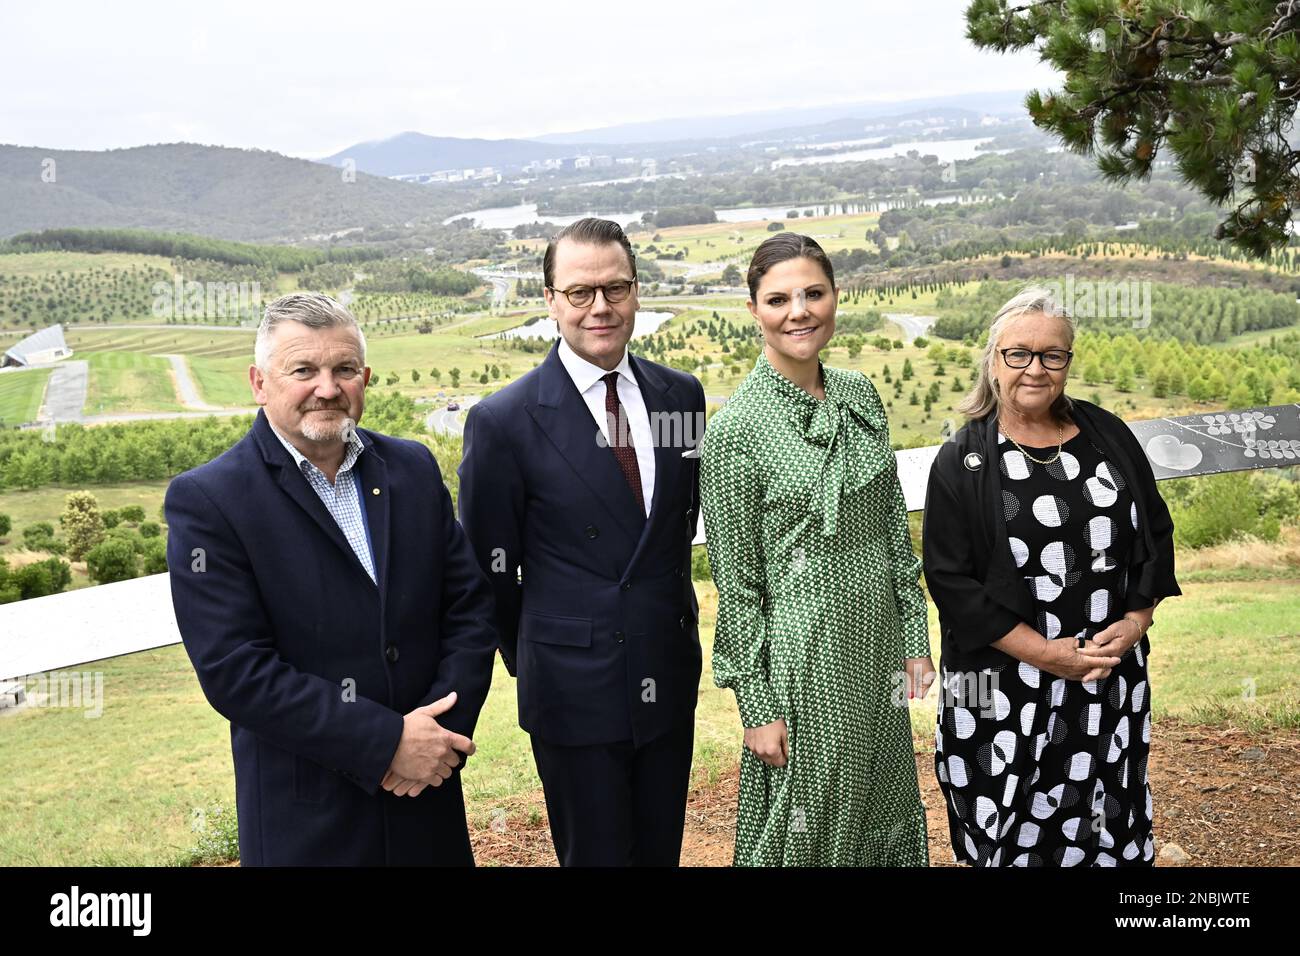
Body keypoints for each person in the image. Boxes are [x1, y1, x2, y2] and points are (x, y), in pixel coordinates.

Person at [165, 292, 498, 866]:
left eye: (344, 369)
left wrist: (437, 741)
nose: (327, 387)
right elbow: (236, 670)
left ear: (364, 378)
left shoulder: (413, 469)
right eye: (303, 370)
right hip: (309, 823)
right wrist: (387, 743)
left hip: (429, 801)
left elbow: (469, 610)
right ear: (259, 382)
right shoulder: (210, 501)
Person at [457, 218, 705, 866]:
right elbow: (488, 574)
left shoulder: (681, 396)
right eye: (579, 292)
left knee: (659, 855)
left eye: (615, 288)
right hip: (573, 693)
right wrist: (549, 650)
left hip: (666, 677)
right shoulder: (504, 421)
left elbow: (674, 535)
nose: (600, 306)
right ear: (549, 300)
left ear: (636, 292)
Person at [923, 286, 1181, 867]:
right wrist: (1044, 654)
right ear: (993, 361)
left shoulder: (1108, 435)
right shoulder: (964, 459)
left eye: (1051, 355)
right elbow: (950, 581)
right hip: (1006, 690)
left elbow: (1153, 536)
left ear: (1068, 361)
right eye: (1018, 354)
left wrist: (1137, 620)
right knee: (1012, 827)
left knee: (1106, 813)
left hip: (1106, 679)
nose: (1034, 368)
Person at [699, 233, 932, 866]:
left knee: (884, 811)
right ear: (754, 310)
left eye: (813, 293)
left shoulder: (860, 397)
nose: (798, 311)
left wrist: (914, 640)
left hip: (877, 648)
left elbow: (889, 529)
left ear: (835, 297)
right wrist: (757, 706)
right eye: (778, 299)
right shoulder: (734, 431)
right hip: (803, 666)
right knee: (805, 827)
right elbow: (737, 583)